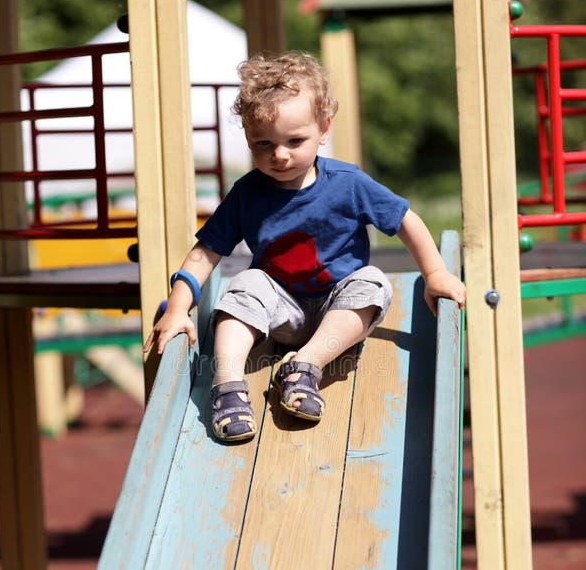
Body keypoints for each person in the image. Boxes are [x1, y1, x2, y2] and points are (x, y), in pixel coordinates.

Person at [144, 50, 466, 442]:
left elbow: (404, 219)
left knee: (373, 283)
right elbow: (205, 252)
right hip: (280, 311)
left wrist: (435, 274)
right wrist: (178, 308)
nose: (279, 155)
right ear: (247, 136)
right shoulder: (247, 194)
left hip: (338, 308)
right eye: (263, 143)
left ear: (324, 127)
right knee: (244, 284)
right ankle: (227, 385)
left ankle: (304, 367)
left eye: (295, 141)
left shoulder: (348, 183)